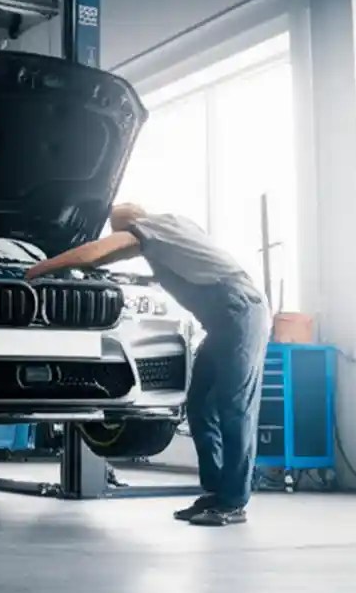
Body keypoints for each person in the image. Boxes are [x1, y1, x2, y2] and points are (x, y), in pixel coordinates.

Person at [25, 203, 270, 526]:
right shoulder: (173, 231)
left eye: (121, 233)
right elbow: (112, 257)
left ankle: (233, 502)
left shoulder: (152, 227)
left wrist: (35, 270)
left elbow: (94, 253)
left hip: (240, 312)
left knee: (234, 407)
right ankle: (216, 492)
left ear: (129, 226)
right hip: (223, 320)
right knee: (198, 405)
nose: (122, 240)